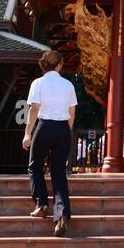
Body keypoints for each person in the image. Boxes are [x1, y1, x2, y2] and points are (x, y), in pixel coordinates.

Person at [23, 50, 76, 236]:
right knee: (58, 172)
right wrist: (65, 133)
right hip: (62, 128)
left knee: (35, 166)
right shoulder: (68, 84)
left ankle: (42, 203)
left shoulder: (38, 83)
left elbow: (34, 109)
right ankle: (62, 215)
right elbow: (72, 114)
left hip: (44, 127)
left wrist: (27, 133)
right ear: (59, 65)